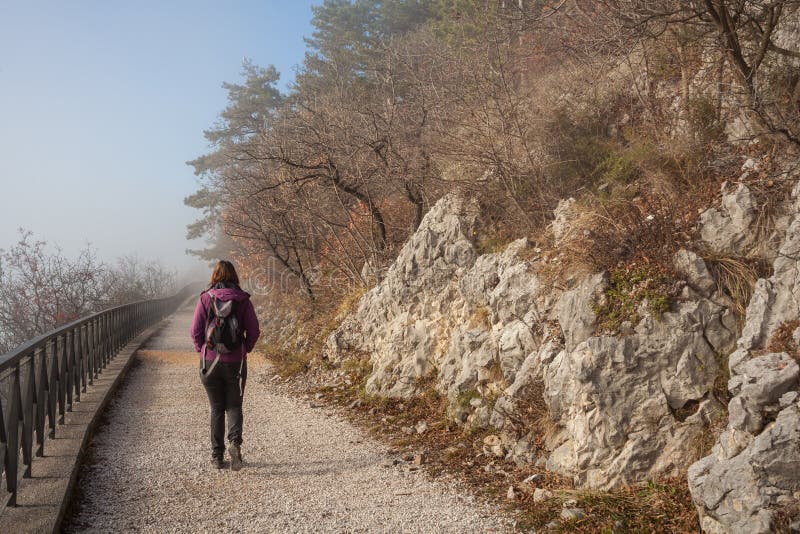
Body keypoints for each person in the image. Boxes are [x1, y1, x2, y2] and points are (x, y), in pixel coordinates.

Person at [190, 260, 260, 470]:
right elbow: (254, 331)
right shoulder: (243, 300)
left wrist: (203, 351)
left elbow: (195, 331)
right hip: (235, 363)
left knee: (216, 408)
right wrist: (244, 349)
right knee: (235, 406)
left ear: (214, 276)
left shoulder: (205, 298)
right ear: (234, 276)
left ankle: (216, 457)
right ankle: (235, 445)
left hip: (209, 363)